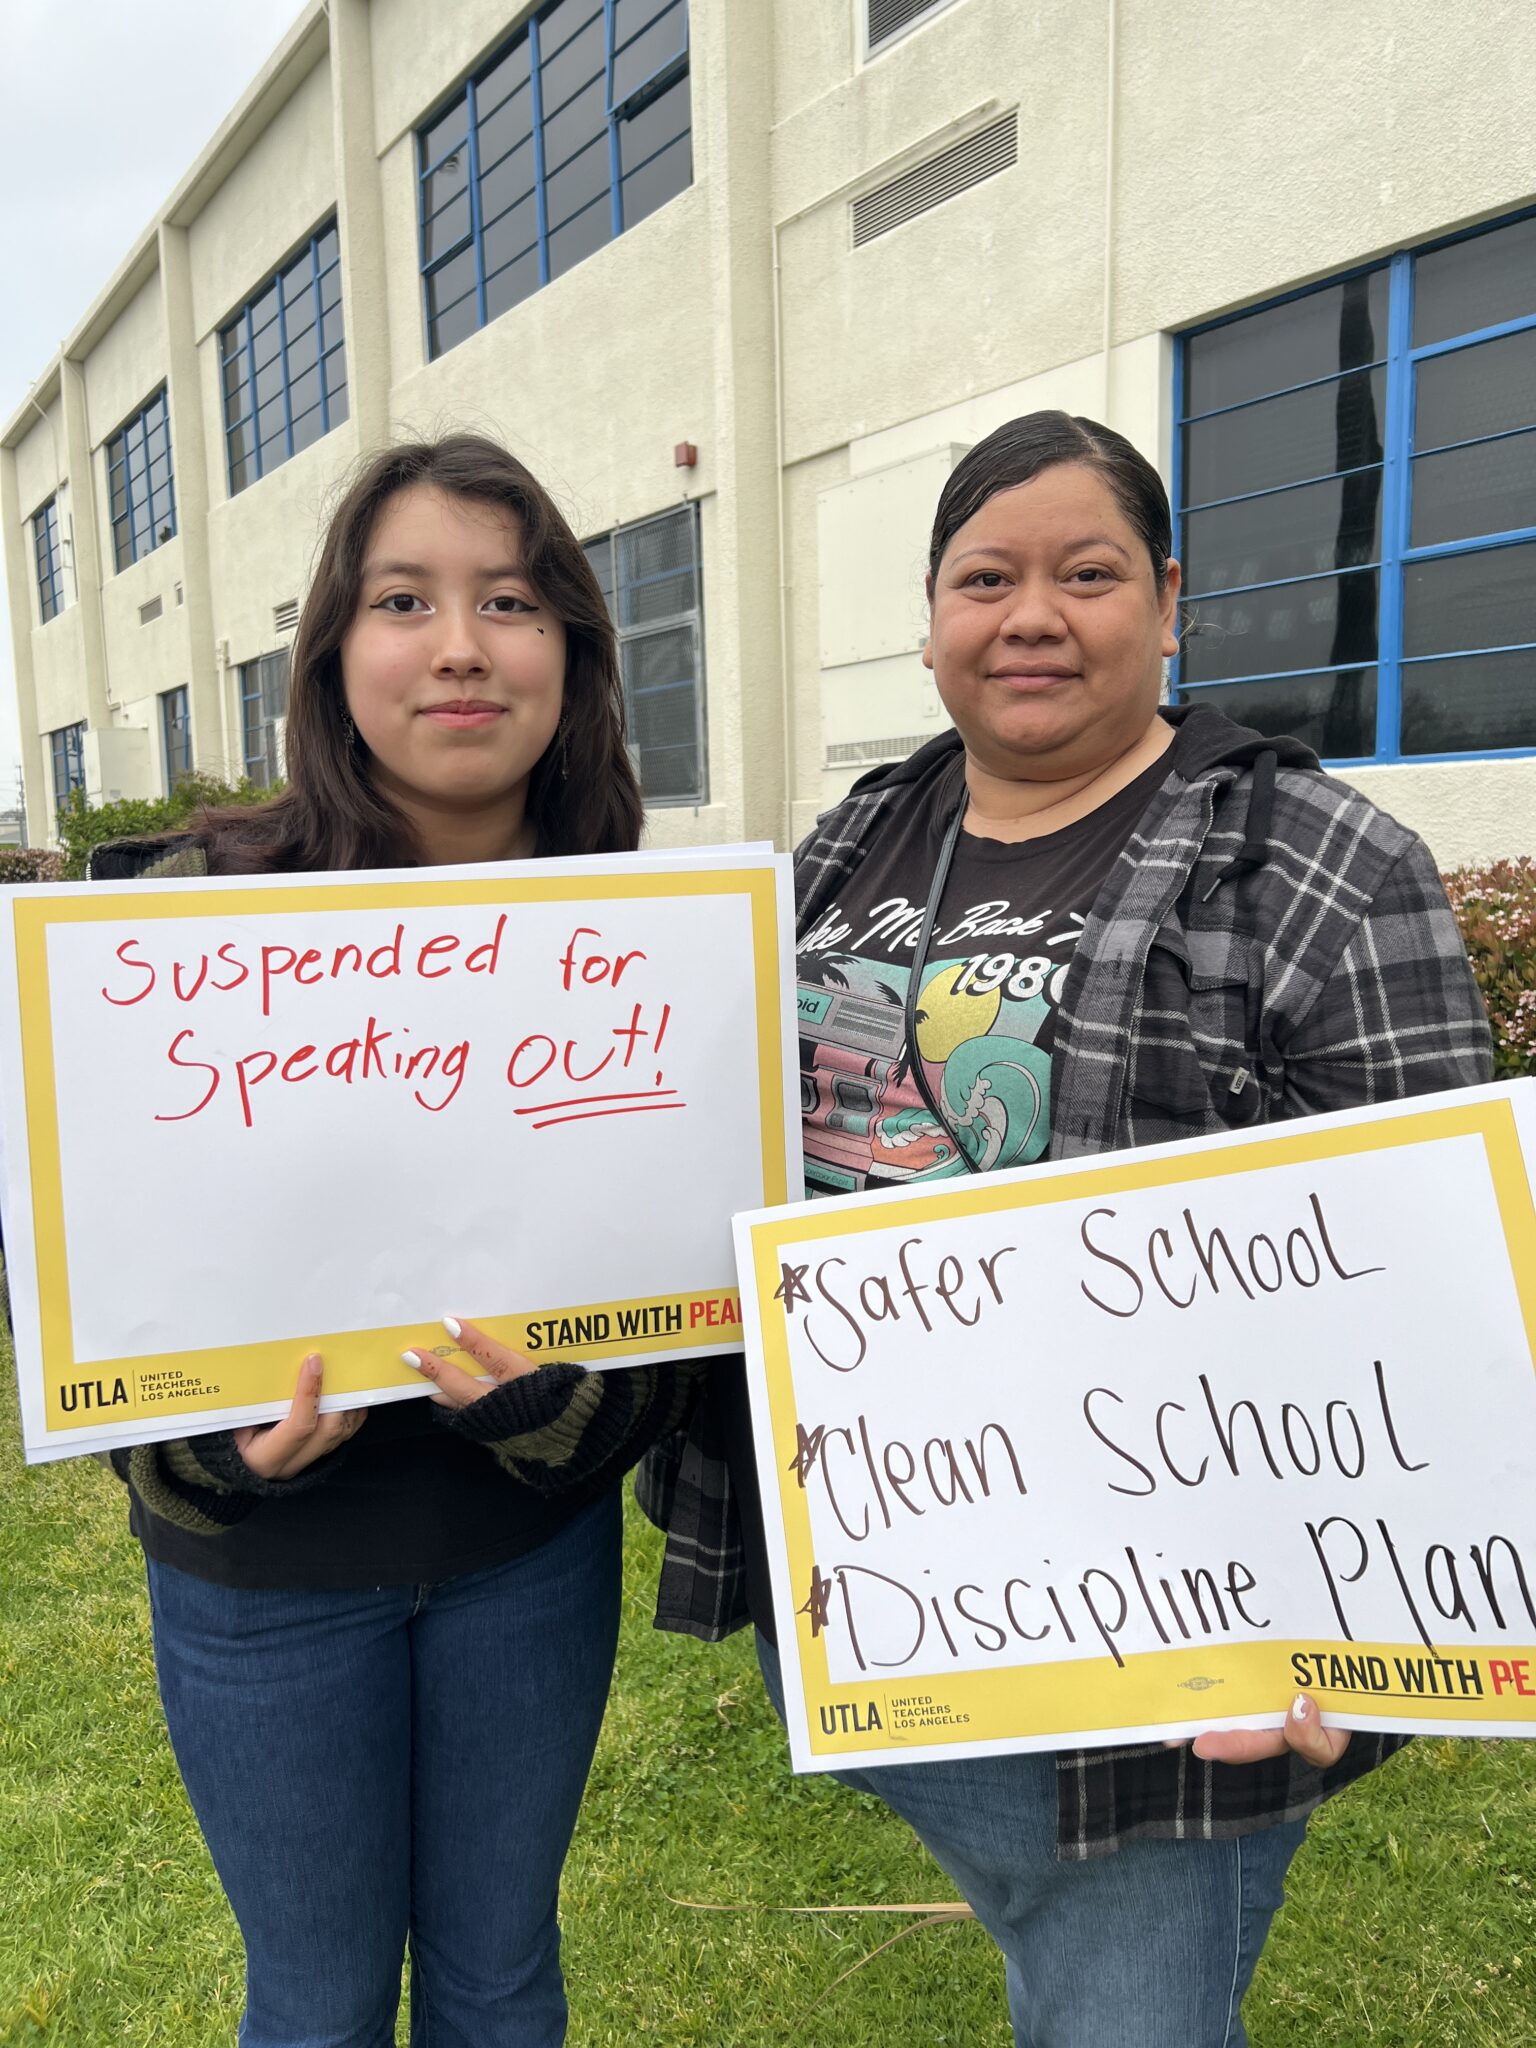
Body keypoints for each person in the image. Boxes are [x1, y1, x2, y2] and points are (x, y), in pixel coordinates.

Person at [639, 410, 1494, 2046]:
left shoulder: (1320, 864)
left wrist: (1364, 1655)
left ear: (1168, 600)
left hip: (1161, 1664)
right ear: (934, 620)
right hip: (877, 1586)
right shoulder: (854, 841)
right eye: (986, 578)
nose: (1031, 615)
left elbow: (1430, 1291)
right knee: (1061, 1950)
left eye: (1087, 572)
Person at [91, 435, 691, 2048]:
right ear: (334, 651)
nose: (460, 645)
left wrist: (566, 1417)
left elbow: (684, 1315)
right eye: (404, 599)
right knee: (318, 1997)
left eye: (509, 601)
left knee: (503, 1982)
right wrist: (211, 1450)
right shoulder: (179, 916)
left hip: (524, 1564)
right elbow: (82, 1288)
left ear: (570, 647)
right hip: (260, 1582)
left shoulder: (646, 945)